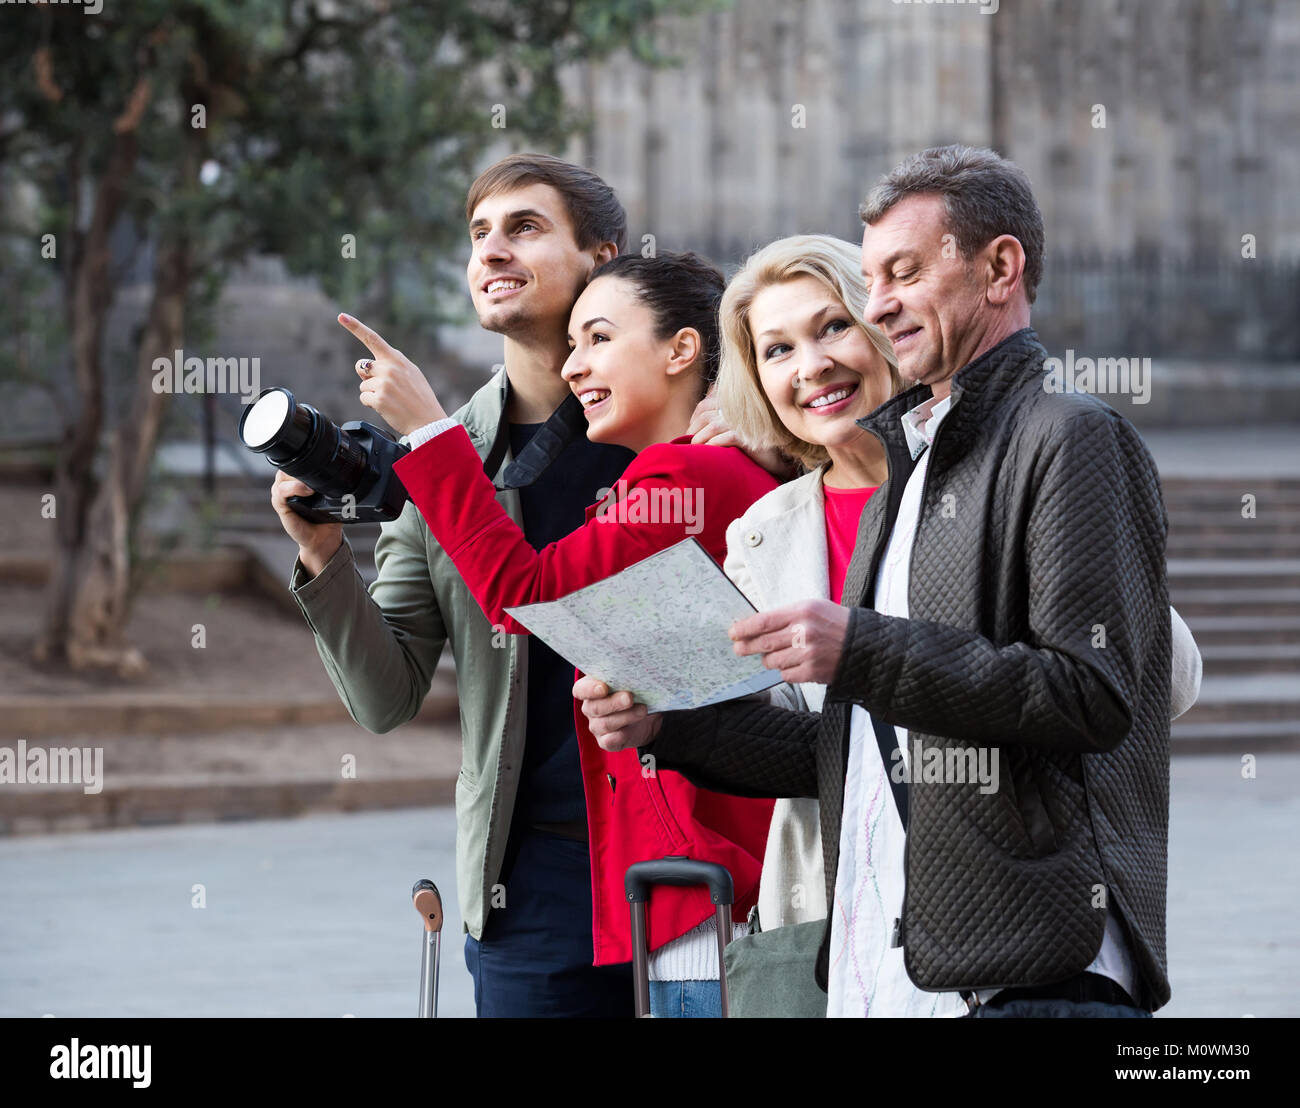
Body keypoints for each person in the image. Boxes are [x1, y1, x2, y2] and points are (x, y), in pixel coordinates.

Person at [579, 146, 1185, 1017]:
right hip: (884, 967)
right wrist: (668, 724)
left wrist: (860, 645)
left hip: (1030, 974)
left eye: (903, 273)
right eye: (872, 280)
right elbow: (848, 749)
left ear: (1000, 269)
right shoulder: (909, 475)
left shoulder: (1071, 436)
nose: (881, 304)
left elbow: (1092, 694)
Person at [348, 251, 779, 1018]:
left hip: (706, 892)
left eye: (599, 340)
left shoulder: (683, 479)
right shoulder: (716, 467)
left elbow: (525, 593)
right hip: (702, 885)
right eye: (573, 345)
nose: (575, 369)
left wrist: (427, 430)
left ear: (684, 350)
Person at [273, 154, 640, 1017]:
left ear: (603, 256)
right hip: (535, 882)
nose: (493, 251)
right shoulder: (441, 458)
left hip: (690, 853)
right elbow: (387, 696)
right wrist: (326, 559)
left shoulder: (676, 420)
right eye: (479, 234)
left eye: (525, 228)